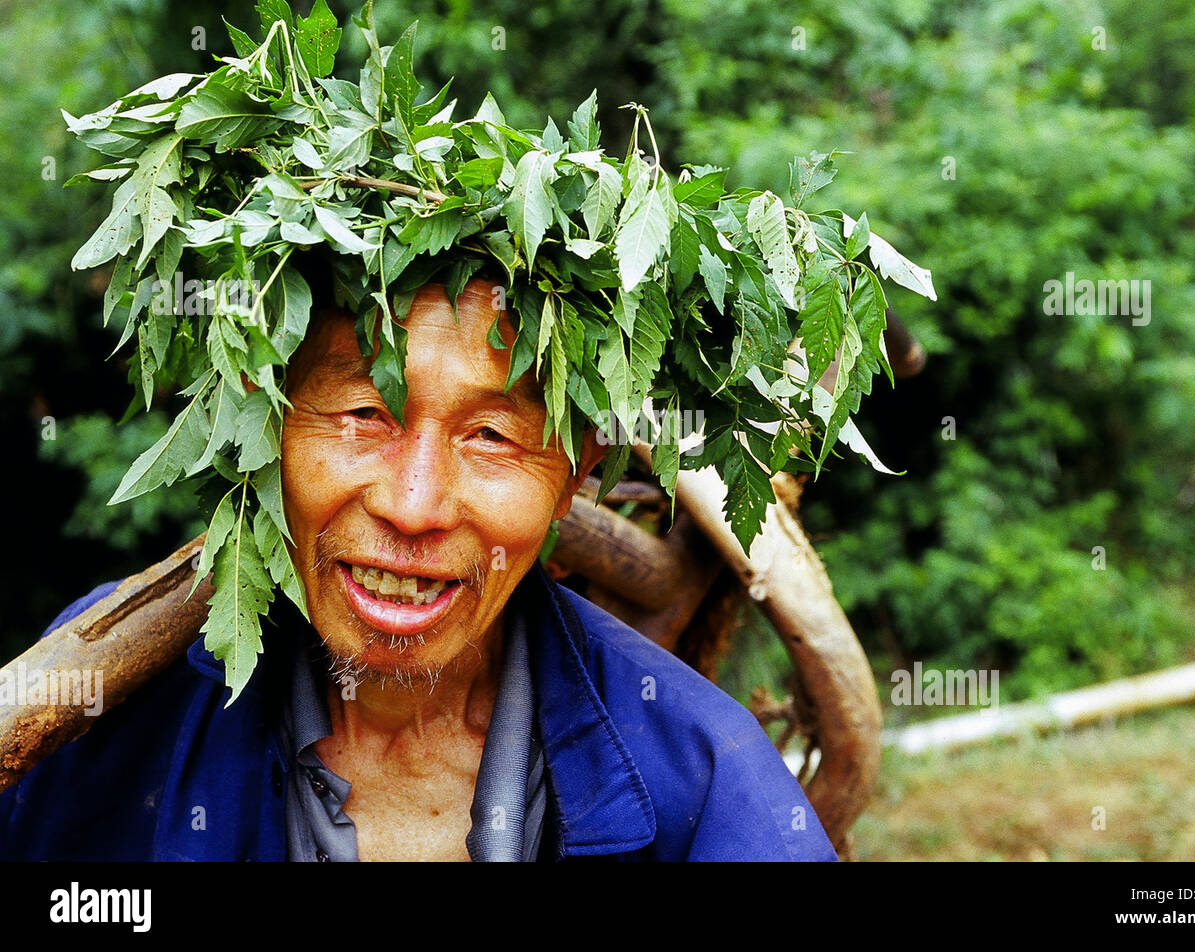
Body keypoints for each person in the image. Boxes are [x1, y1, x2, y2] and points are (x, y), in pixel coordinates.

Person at [0, 277, 838, 862]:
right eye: (365, 414)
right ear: (266, 419)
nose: (414, 504)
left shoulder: (704, 779)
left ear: (576, 474)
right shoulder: (95, 719)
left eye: (492, 437)